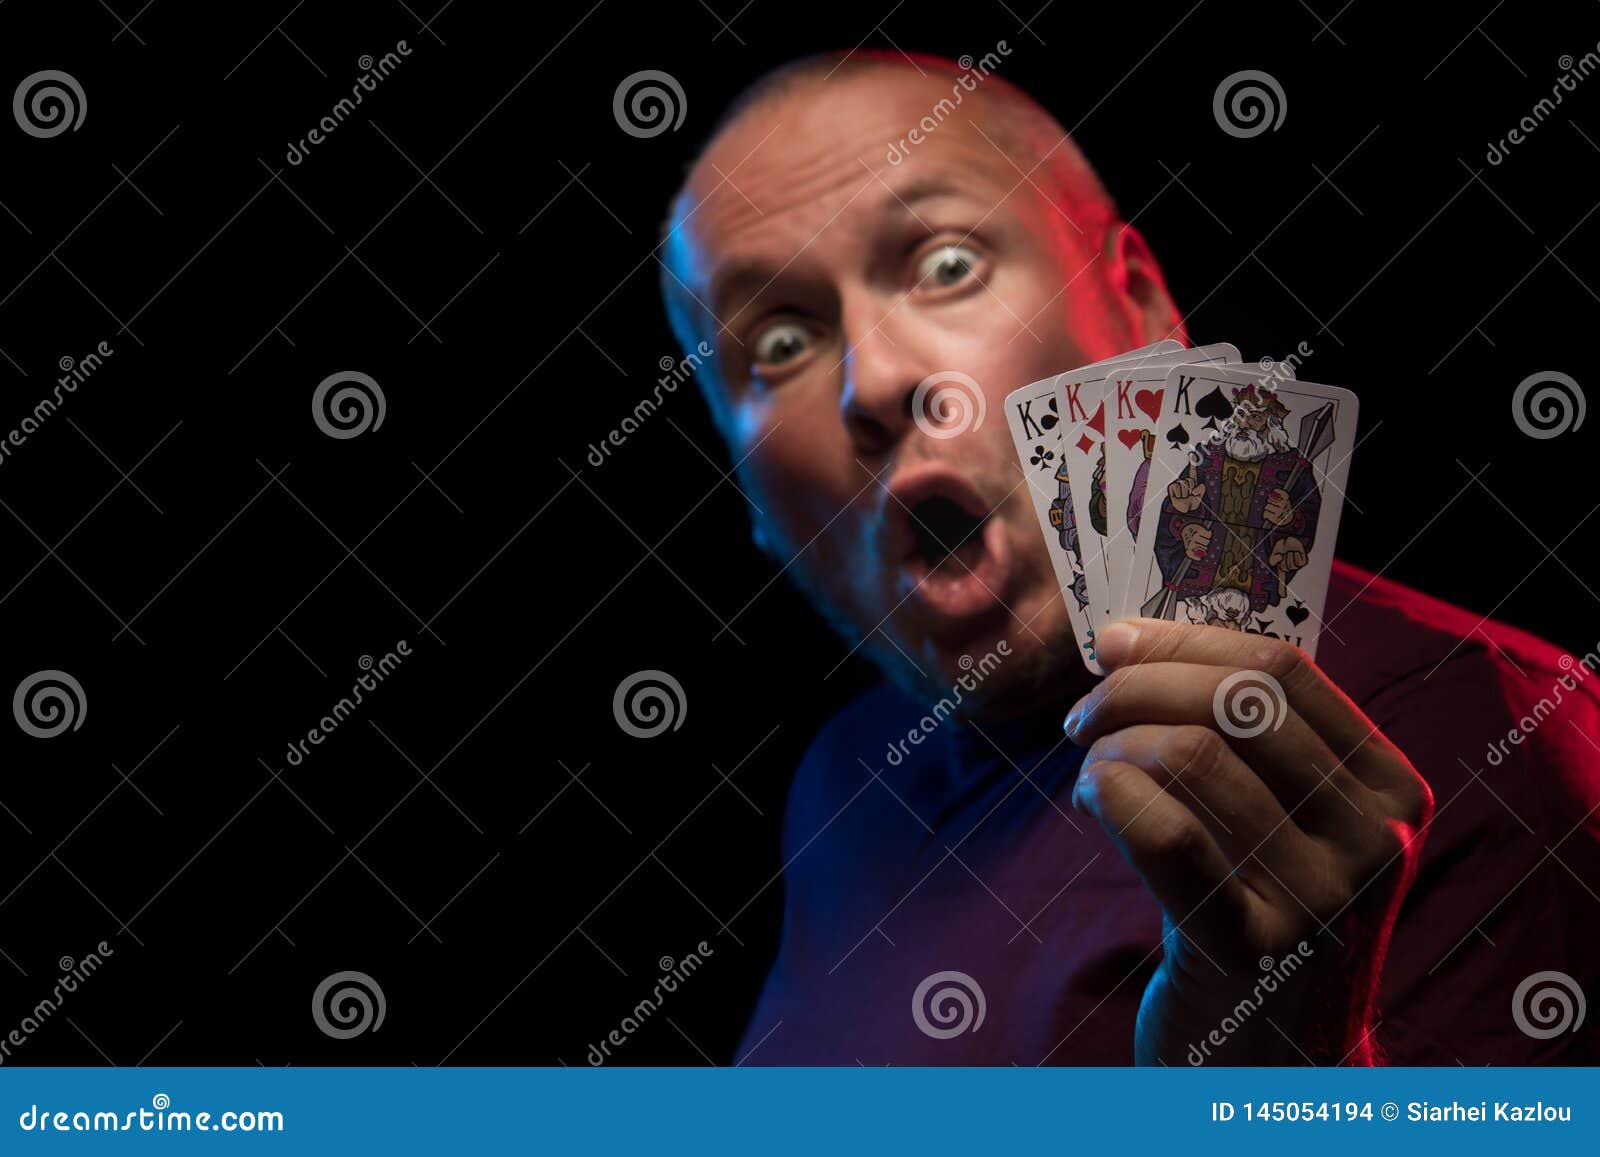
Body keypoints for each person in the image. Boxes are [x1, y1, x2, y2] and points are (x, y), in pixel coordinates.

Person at [657, 51, 1600, 1064]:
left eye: (945, 265)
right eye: (781, 341)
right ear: (748, 495)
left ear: (1141, 307)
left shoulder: (1479, 725)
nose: (874, 379)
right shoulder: (844, 775)